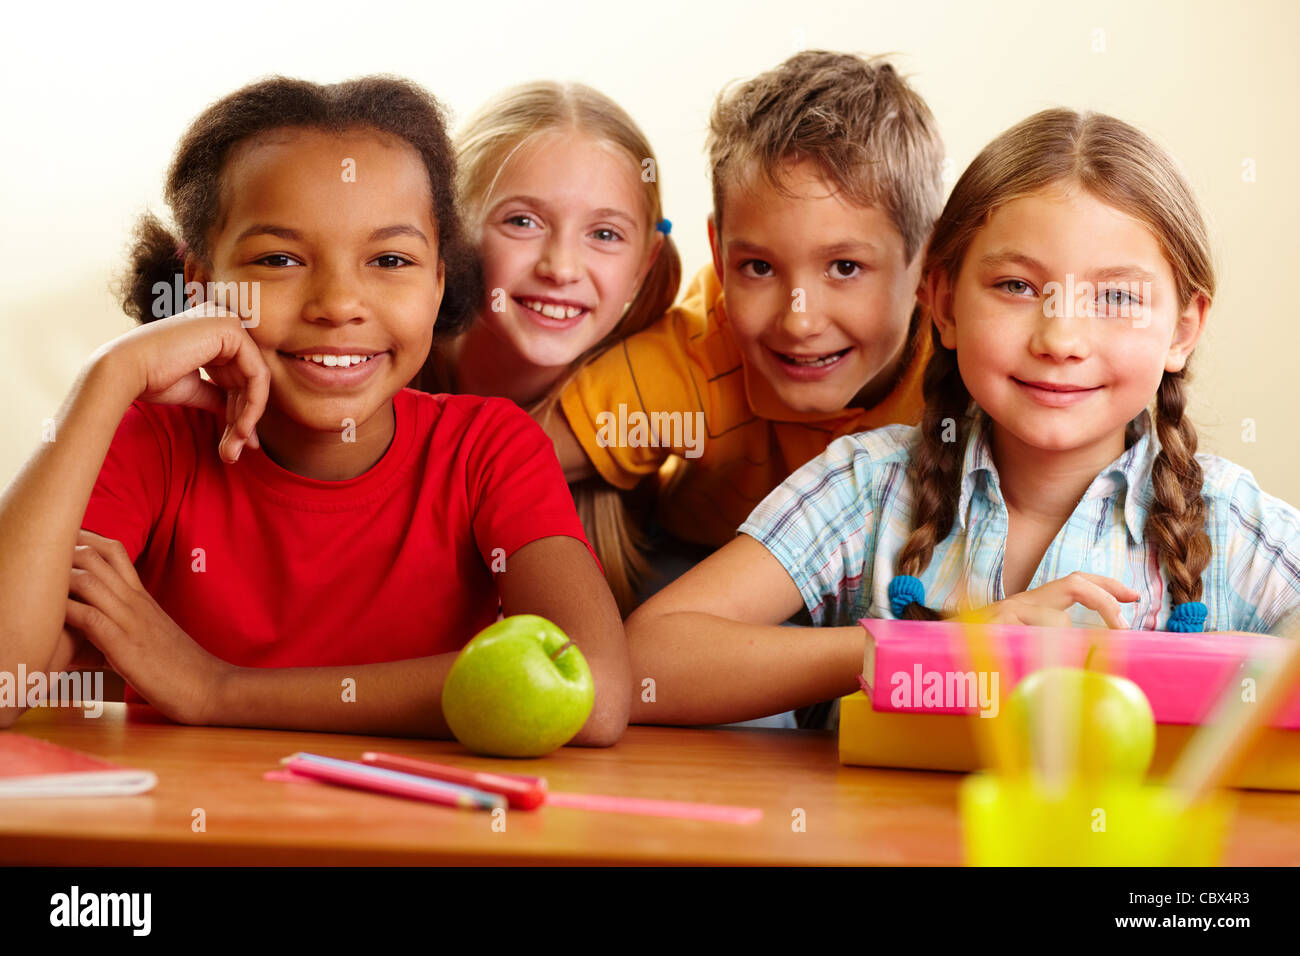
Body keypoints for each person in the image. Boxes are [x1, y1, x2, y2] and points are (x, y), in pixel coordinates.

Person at [0, 76, 629, 742]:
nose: (338, 303)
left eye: (389, 259)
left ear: (439, 278)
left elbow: (595, 689)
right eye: (279, 258)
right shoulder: (152, 445)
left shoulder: (487, 449)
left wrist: (218, 690)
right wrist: (109, 375)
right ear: (203, 285)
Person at [624, 108, 1300, 727]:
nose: (1060, 338)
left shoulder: (1231, 526)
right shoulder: (868, 489)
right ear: (943, 303)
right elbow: (647, 661)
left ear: (1183, 329)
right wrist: (941, 649)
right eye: (1016, 286)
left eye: (1116, 296)